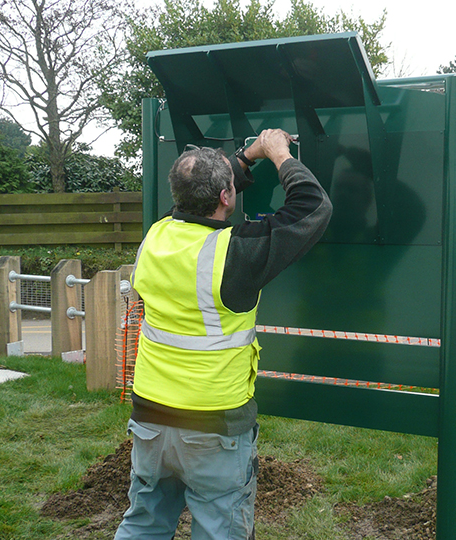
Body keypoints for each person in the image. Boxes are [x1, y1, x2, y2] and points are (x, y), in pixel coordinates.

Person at [114, 128, 332, 540]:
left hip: (150, 417)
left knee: (144, 522)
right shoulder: (235, 254)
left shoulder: (156, 237)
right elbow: (312, 207)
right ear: (227, 198)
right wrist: (280, 154)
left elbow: (204, 188)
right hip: (213, 424)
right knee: (220, 531)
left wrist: (248, 157)